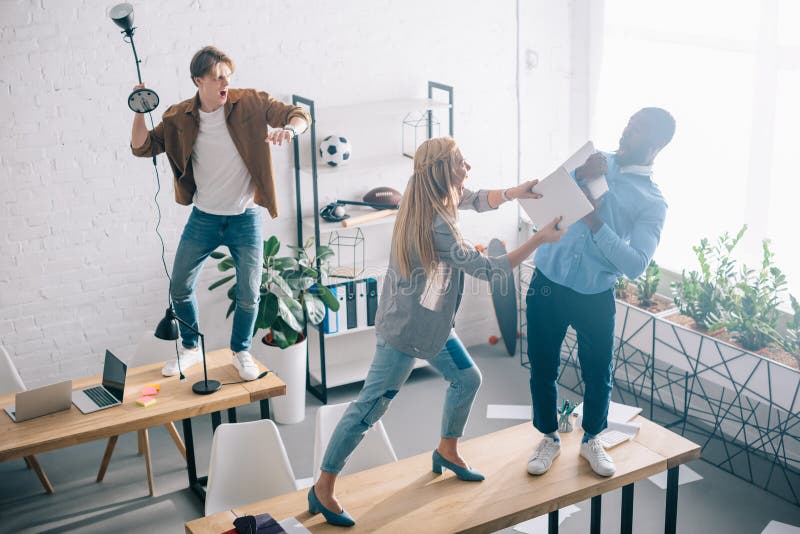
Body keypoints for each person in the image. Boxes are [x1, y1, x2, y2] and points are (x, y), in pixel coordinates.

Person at [308, 137, 565, 527]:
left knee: (466, 377)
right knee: (369, 408)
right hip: (407, 332)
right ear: (444, 170)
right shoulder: (438, 224)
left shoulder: (426, 192)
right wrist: (539, 239)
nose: (468, 168)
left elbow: (475, 198)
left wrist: (515, 192)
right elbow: (491, 270)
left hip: (431, 322)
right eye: (461, 162)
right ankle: (323, 486)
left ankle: (447, 449)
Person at [130, 46, 311, 381]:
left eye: (228, 75)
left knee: (249, 293)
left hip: (245, 219)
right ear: (199, 81)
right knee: (180, 288)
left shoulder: (251, 103)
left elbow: (297, 114)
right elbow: (142, 147)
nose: (225, 82)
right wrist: (139, 109)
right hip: (204, 219)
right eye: (217, 77)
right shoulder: (178, 118)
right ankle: (190, 349)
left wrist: (291, 130)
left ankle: (241, 351)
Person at [525, 107, 676, 477]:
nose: (626, 133)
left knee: (597, 371)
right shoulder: (593, 161)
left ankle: (592, 438)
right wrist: (578, 177)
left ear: (656, 145)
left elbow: (635, 263)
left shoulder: (652, 202)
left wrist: (592, 217)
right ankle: (548, 436)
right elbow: (543, 199)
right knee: (542, 364)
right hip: (548, 278)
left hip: (594, 294)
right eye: (629, 124)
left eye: (637, 130)